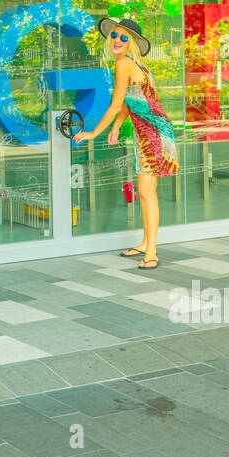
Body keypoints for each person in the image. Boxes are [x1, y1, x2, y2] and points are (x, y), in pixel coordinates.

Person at [73, 17, 178, 269]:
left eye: (123, 37)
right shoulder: (135, 64)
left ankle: (151, 251)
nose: (116, 40)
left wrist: (93, 133)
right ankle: (145, 243)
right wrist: (117, 126)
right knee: (146, 191)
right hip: (150, 131)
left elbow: (117, 103)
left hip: (153, 132)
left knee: (146, 192)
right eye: (114, 35)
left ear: (131, 42)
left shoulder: (123, 63)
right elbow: (131, 101)